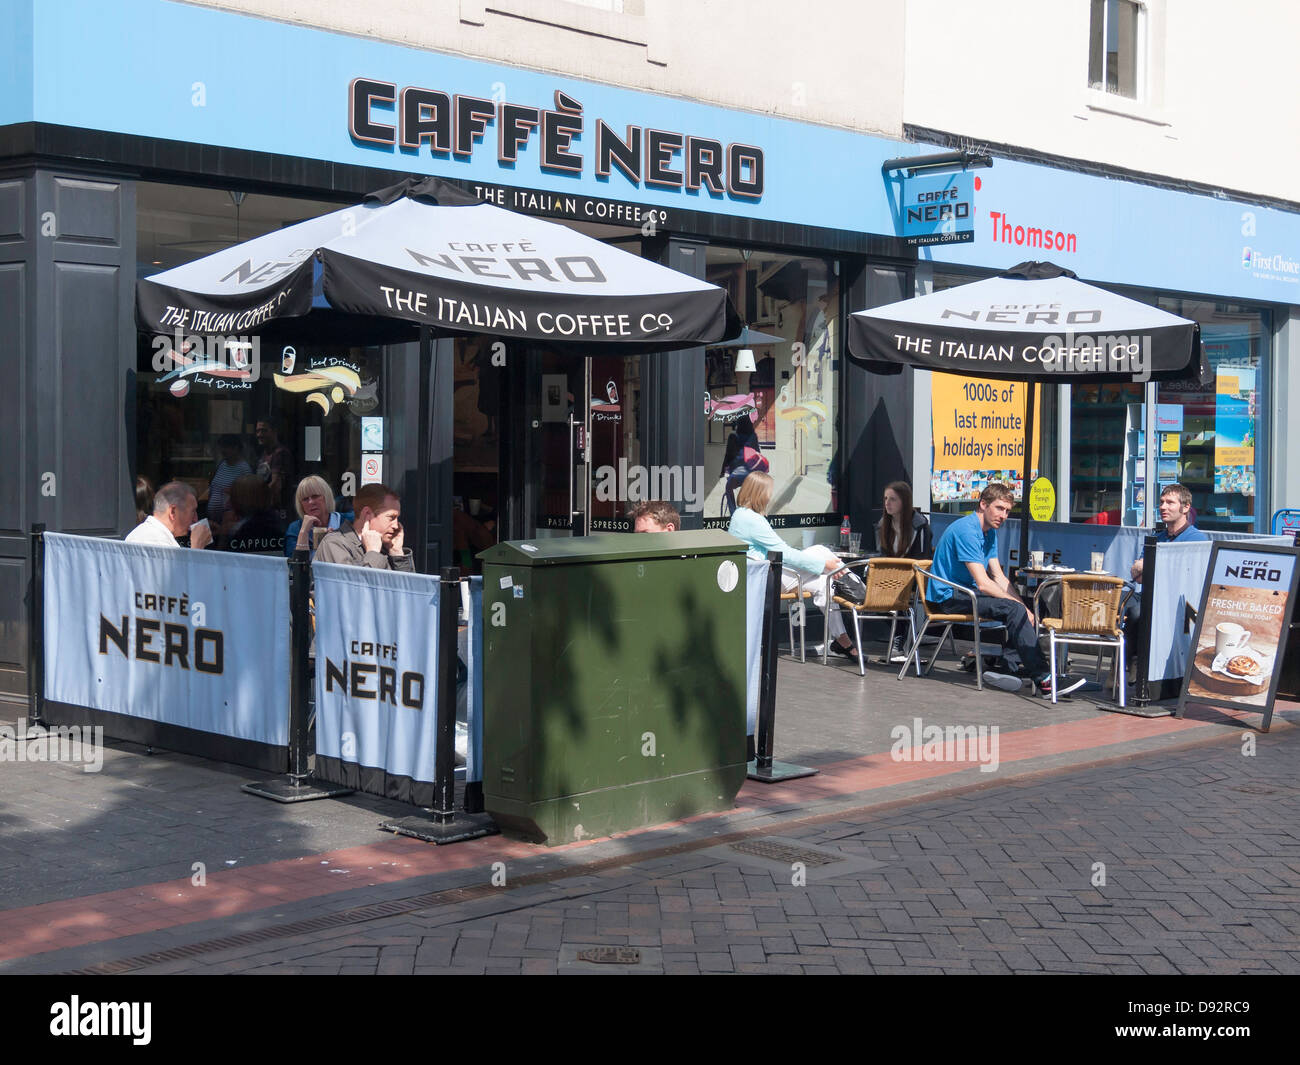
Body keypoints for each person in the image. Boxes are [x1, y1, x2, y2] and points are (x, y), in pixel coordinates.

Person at [928, 482, 1081, 696]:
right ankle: (1045, 680)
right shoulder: (967, 530)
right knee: (1015, 609)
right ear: (983, 504)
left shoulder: (989, 532)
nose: (1004, 515)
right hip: (948, 596)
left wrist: (1025, 607)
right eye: (999, 508)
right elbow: (983, 582)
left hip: (968, 592)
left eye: (1008, 511)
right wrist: (1018, 606)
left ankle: (1009, 668)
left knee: (1032, 607)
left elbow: (998, 576)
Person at [727, 472, 857, 659]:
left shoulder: (743, 515)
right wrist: (824, 564)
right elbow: (784, 553)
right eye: (769, 491)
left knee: (824, 584)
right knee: (821, 552)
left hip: (765, 575)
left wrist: (825, 567)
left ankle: (842, 641)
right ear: (760, 493)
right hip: (762, 579)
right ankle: (854, 583)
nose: (770, 496)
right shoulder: (751, 519)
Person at [1123, 483, 1208, 638]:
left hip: (1175, 602)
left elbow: (1183, 578)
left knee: (1136, 614)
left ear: (1186, 507)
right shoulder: (1156, 538)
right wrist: (1150, 568)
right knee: (1109, 601)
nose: (1163, 507)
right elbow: (1138, 576)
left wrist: (1148, 566)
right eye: (1162, 502)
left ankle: (1135, 661)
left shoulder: (1196, 539)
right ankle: (1119, 658)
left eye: (1170, 503)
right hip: (1147, 595)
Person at [315, 482, 413, 571]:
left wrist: (397, 553)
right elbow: (351, 588)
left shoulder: (384, 547)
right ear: (367, 514)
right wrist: (373, 553)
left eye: (397, 518)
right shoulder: (334, 544)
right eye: (391, 518)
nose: (396, 526)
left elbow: (410, 589)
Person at [125, 481, 213, 549]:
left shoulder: (150, 533)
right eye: (193, 512)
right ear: (173, 512)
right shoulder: (155, 541)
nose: (195, 519)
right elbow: (178, 573)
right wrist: (197, 546)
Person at [284, 475, 349, 558]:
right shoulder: (295, 529)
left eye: (315, 496)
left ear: (326, 497)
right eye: (305, 499)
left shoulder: (346, 522)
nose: (311, 502)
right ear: (301, 505)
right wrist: (304, 533)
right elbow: (294, 567)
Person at [720, 412, 767, 515]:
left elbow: (728, 456)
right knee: (749, 492)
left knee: (728, 488)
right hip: (751, 474)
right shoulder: (753, 436)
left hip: (737, 474)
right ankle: (752, 512)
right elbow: (757, 453)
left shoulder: (733, 436)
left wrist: (723, 472)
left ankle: (733, 513)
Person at [876, 481, 932, 559]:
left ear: (904, 502)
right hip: (888, 569)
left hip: (911, 569)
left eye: (893, 499)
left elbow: (923, 559)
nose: (887, 503)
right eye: (886, 498)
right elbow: (881, 555)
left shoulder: (920, 526)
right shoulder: (882, 525)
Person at [205, 434, 251, 529]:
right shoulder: (222, 464)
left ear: (236, 448)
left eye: (226, 447)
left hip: (231, 523)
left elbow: (246, 497)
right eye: (221, 447)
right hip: (214, 522)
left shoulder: (244, 469)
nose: (222, 450)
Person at [255, 419, 295, 516]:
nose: (259, 434)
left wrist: (255, 497)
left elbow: (275, 484)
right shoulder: (264, 454)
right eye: (257, 431)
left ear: (274, 432)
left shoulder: (280, 453)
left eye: (264, 430)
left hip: (277, 511)